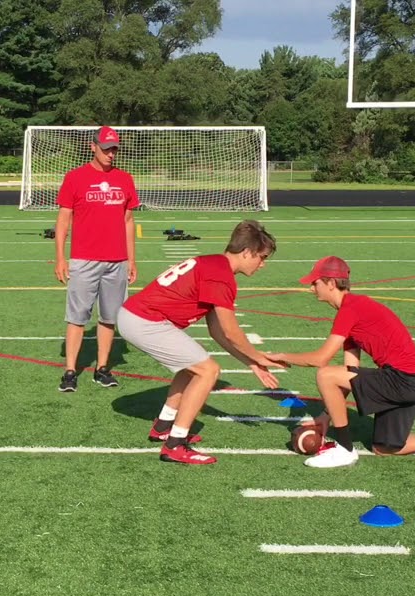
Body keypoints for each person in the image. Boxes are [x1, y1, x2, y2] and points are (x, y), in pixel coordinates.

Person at [264, 256, 415, 468]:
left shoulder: (350, 309)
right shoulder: (352, 307)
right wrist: (326, 415)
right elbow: (349, 372)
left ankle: (345, 450)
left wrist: (283, 356)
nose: (311, 288)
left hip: (402, 379)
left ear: (331, 283)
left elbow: (321, 359)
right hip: (413, 380)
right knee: (385, 447)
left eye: (315, 282)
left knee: (324, 374)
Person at [117, 219, 285, 465]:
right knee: (208, 370)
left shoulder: (214, 264)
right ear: (247, 252)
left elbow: (217, 331)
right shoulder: (221, 276)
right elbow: (230, 331)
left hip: (138, 316)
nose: (263, 264)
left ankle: (164, 425)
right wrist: (258, 356)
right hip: (144, 320)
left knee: (193, 364)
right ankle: (175, 445)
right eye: (262, 257)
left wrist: (249, 362)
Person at [54, 125, 139, 392]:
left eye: (114, 149)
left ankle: (102, 369)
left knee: (109, 317)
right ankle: (70, 371)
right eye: (106, 148)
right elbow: (63, 219)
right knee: (77, 317)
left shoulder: (125, 179)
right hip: (84, 259)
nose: (111, 154)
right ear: (93, 147)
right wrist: (60, 257)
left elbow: (128, 220)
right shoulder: (75, 178)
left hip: (117, 261)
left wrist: (132, 260)